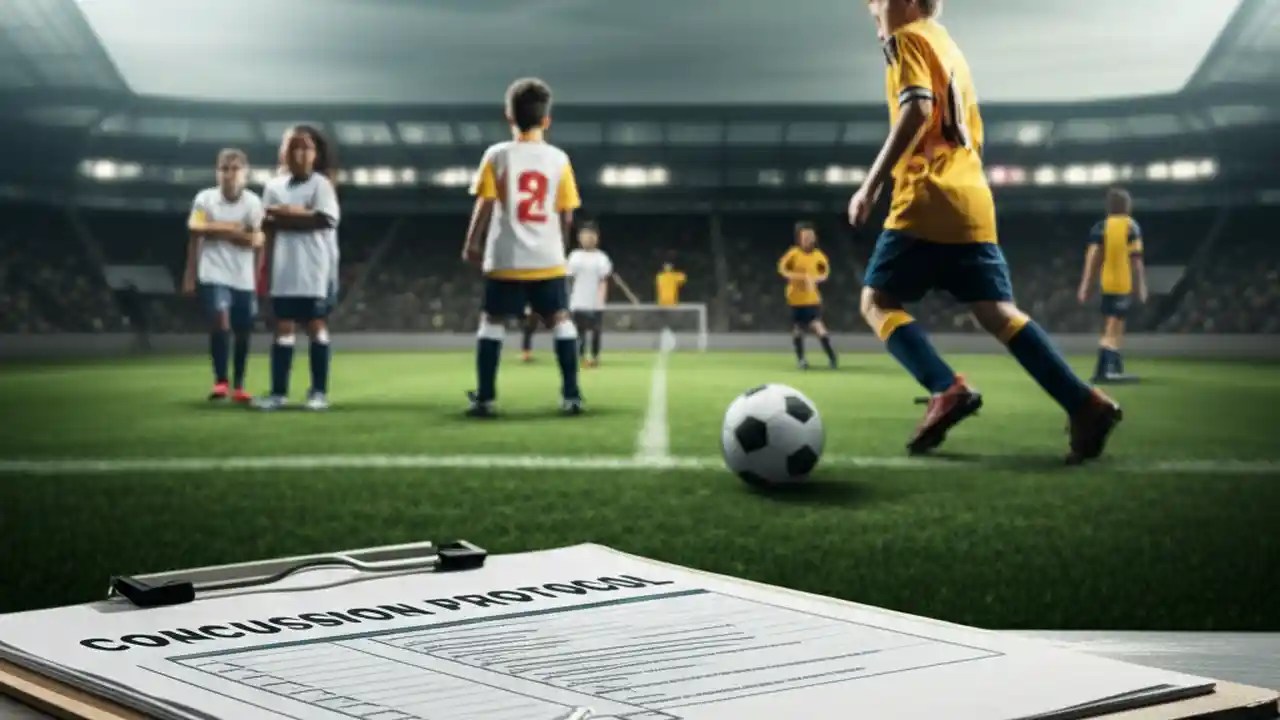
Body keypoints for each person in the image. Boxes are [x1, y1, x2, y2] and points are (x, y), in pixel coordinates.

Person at [849, 0, 1121, 464]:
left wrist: (870, 185)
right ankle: (1084, 402)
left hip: (926, 196)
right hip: (973, 201)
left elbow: (917, 108)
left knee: (875, 302)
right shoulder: (945, 41)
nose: (873, 6)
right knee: (997, 312)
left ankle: (944, 387)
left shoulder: (908, 38)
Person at [462, 77, 583, 417]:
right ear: (547, 120)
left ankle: (486, 398)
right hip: (547, 256)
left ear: (509, 116)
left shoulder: (497, 155)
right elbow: (567, 214)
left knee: (492, 321)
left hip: (505, 257)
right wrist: (559, 244)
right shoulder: (559, 158)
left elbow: (484, 204)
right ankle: (571, 395)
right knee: (561, 320)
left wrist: (471, 242)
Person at [254, 125, 341, 411]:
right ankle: (278, 393)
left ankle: (318, 392)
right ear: (284, 152)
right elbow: (266, 224)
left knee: (315, 326)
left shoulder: (321, 185)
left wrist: (283, 213)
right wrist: (297, 215)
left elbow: (323, 220)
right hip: (284, 268)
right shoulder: (273, 187)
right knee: (283, 327)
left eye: (306, 147)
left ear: (316, 154)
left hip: (316, 268)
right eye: (294, 147)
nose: (300, 153)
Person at [182, 148, 264, 403]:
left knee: (243, 330)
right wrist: (189, 274)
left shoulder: (253, 202)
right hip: (213, 272)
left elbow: (257, 240)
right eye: (224, 169)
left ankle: (239, 385)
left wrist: (214, 230)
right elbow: (195, 229)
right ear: (217, 173)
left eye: (235, 169)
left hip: (243, 277)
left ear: (245, 173)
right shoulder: (204, 198)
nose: (229, 174)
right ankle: (221, 381)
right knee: (221, 321)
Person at [1078, 187, 1147, 383]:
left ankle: (1115, 366)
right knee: (1113, 327)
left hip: (1106, 283)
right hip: (1122, 284)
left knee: (1117, 325)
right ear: (1126, 205)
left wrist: (1086, 285)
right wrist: (1141, 286)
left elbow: (1092, 259)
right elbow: (1136, 260)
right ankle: (1102, 370)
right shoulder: (1131, 226)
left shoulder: (1100, 227)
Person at [777, 221, 838, 369]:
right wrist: (796, 277)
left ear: (814, 238)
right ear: (800, 238)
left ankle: (832, 358)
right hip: (795, 299)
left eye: (810, 237)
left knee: (817, 326)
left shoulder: (819, 256)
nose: (807, 240)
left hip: (811, 299)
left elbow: (825, 274)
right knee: (798, 329)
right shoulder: (793, 254)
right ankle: (801, 360)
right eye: (804, 237)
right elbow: (782, 269)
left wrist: (814, 279)